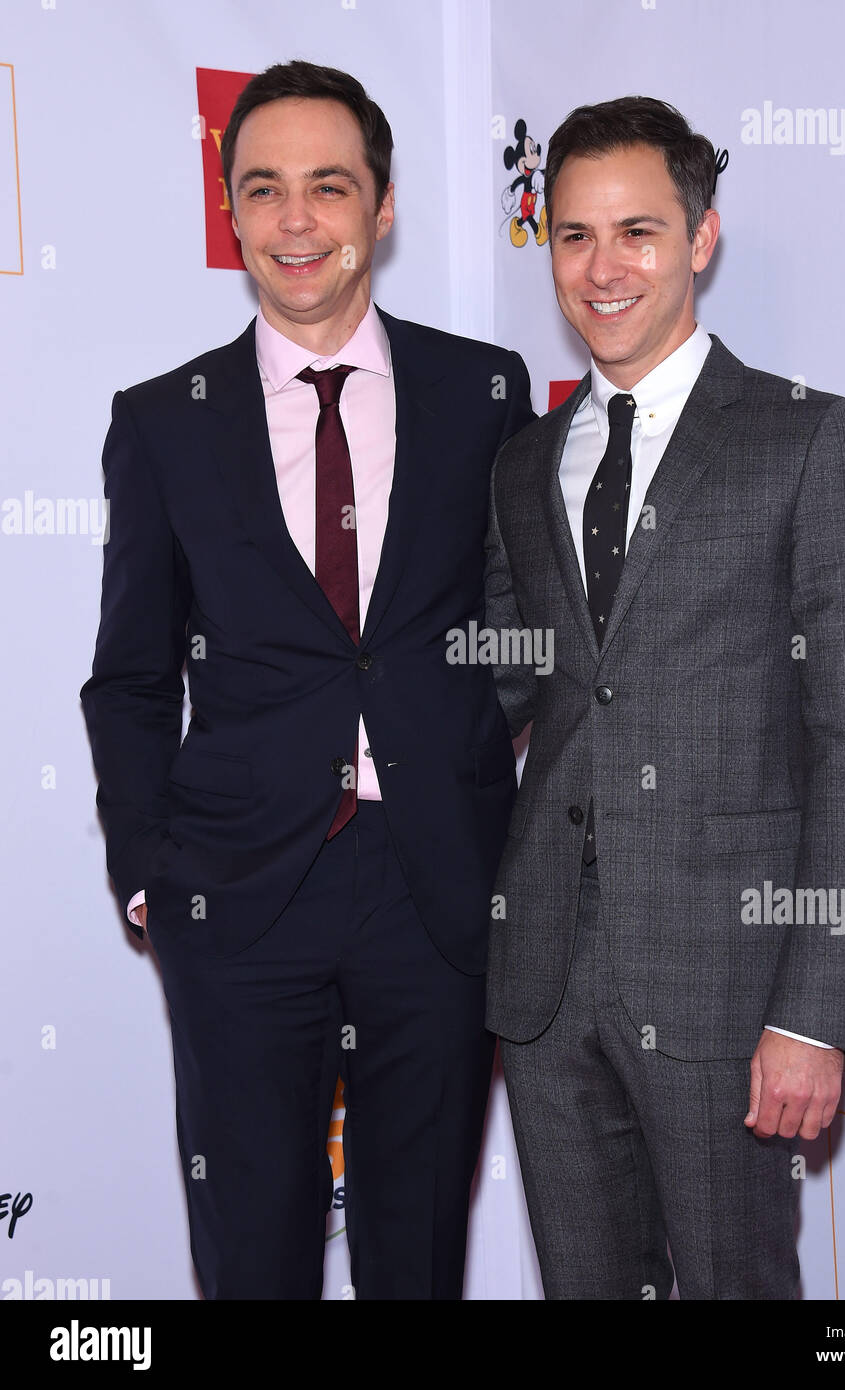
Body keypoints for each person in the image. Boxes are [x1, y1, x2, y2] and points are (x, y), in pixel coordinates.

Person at [80, 59, 533, 1300]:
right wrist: (148, 877)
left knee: (416, 1253)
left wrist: (460, 768)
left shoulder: (484, 393)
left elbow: (525, 632)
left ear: (381, 207)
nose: (296, 222)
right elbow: (127, 676)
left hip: (434, 891)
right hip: (234, 894)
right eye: (263, 190)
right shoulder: (163, 420)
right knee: (253, 1255)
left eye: (327, 188)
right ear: (230, 212)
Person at [484, 96, 845, 1300]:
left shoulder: (808, 440)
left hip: (731, 988)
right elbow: (511, 675)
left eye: (637, 232)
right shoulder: (527, 458)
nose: (602, 267)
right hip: (545, 986)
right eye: (572, 236)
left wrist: (816, 1014)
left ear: (700, 239)